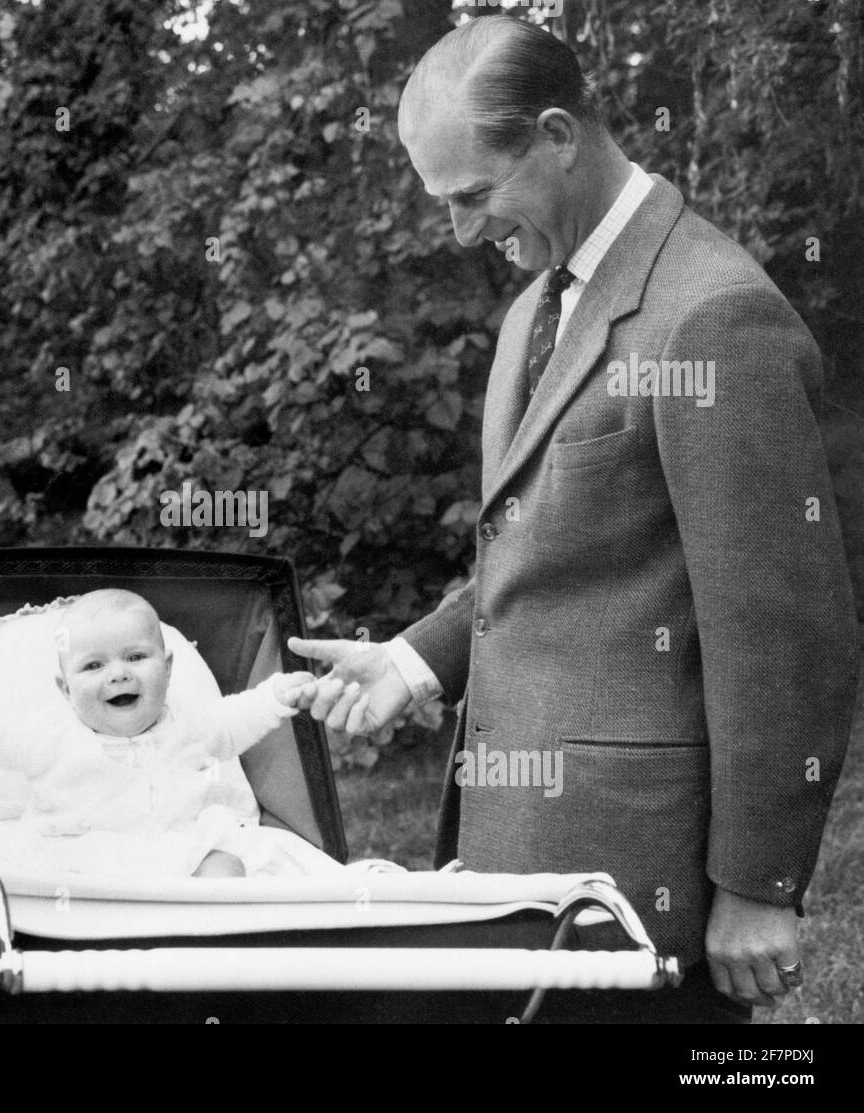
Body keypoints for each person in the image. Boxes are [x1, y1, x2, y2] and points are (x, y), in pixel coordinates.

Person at [291, 16, 858, 1023]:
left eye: (473, 196)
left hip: (641, 891)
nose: (462, 232)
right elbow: (554, 545)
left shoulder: (712, 313)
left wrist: (758, 884)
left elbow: (780, 627)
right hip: (514, 871)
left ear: (558, 133)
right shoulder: (531, 309)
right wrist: (414, 662)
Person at [0, 589, 318, 878]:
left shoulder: (191, 725)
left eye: (136, 657)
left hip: (177, 852)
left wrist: (278, 694)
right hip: (77, 858)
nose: (118, 675)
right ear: (65, 688)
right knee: (24, 893)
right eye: (94, 666)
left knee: (226, 868)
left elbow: (236, 719)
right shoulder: (49, 738)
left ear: (169, 668)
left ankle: (206, 958)